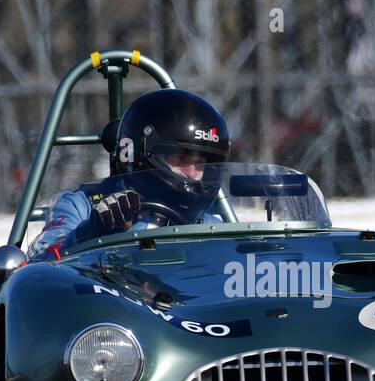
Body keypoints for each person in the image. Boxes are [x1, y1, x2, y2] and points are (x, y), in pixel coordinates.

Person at [29, 89, 232, 258]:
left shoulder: (208, 227)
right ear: (138, 155)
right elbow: (39, 267)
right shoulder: (81, 207)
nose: (191, 173)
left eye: (199, 164)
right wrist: (90, 233)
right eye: (180, 160)